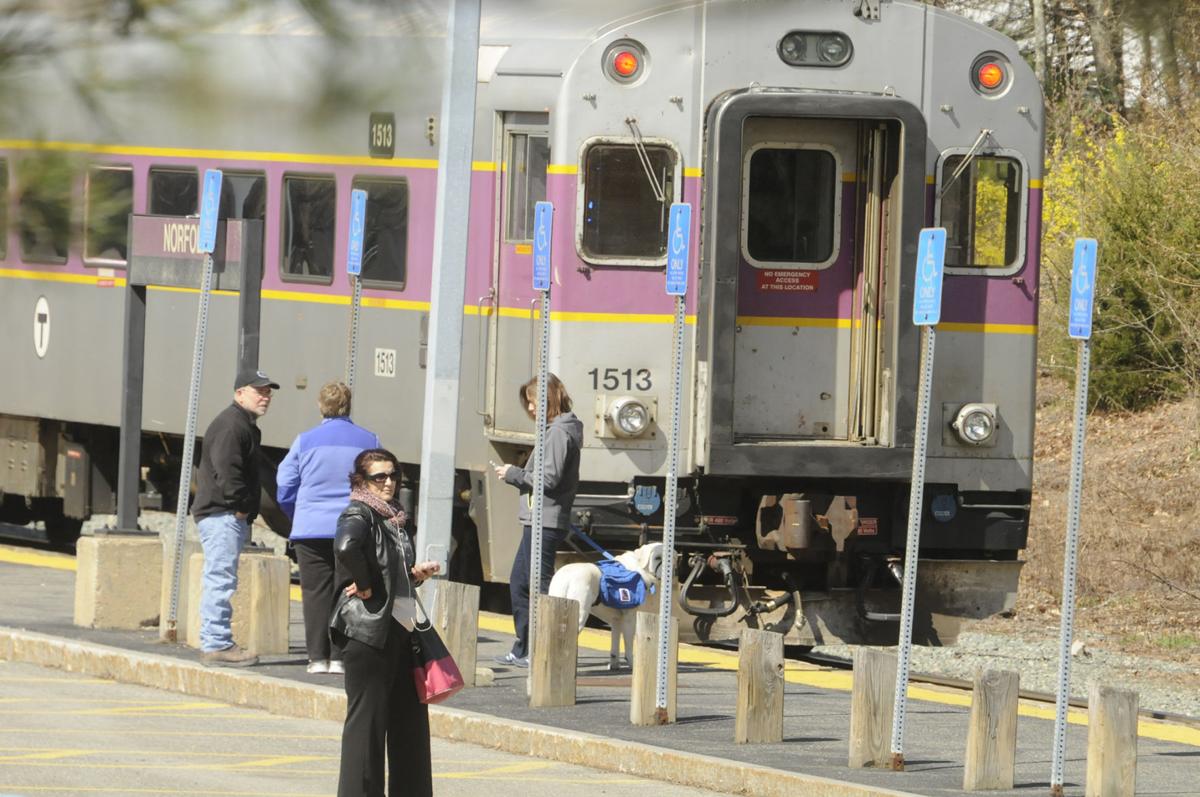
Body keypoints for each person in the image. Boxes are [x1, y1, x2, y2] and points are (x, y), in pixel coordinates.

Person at [332, 448, 440, 797]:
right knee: (367, 725)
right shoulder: (359, 512)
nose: (389, 482)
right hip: (368, 633)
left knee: (409, 723)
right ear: (362, 481)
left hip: (400, 629)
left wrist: (415, 575)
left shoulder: (392, 518)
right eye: (380, 477)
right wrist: (364, 584)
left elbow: (392, 572)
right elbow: (346, 546)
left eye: (394, 475)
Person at [277, 381, 380, 675]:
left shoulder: (304, 441)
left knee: (314, 592)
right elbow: (381, 481)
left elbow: (285, 484)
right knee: (347, 590)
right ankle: (339, 657)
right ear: (349, 405)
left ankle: (317, 659)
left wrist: (296, 512)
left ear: (320, 406)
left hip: (310, 528)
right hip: (352, 528)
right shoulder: (369, 440)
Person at [492, 373, 583, 667]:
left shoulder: (558, 432)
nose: (530, 409)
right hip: (540, 518)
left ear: (548, 399)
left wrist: (513, 474)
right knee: (521, 581)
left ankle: (538, 650)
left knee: (536, 585)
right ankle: (525, 647)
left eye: (533, 402)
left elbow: (549, 478)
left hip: (546, 518)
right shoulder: (558, 429)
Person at [192, 367, 280, 667]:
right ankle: (216, 644)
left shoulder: (241, 423)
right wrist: (240, 506)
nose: (265, 397)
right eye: (259, 391)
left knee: (221, 578)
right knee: (221, 579)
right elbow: (227, 470)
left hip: (224, 513)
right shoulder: (233, 426)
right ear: (239, 393)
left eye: (268, 392)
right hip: (222, 514)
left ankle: (217, 641)